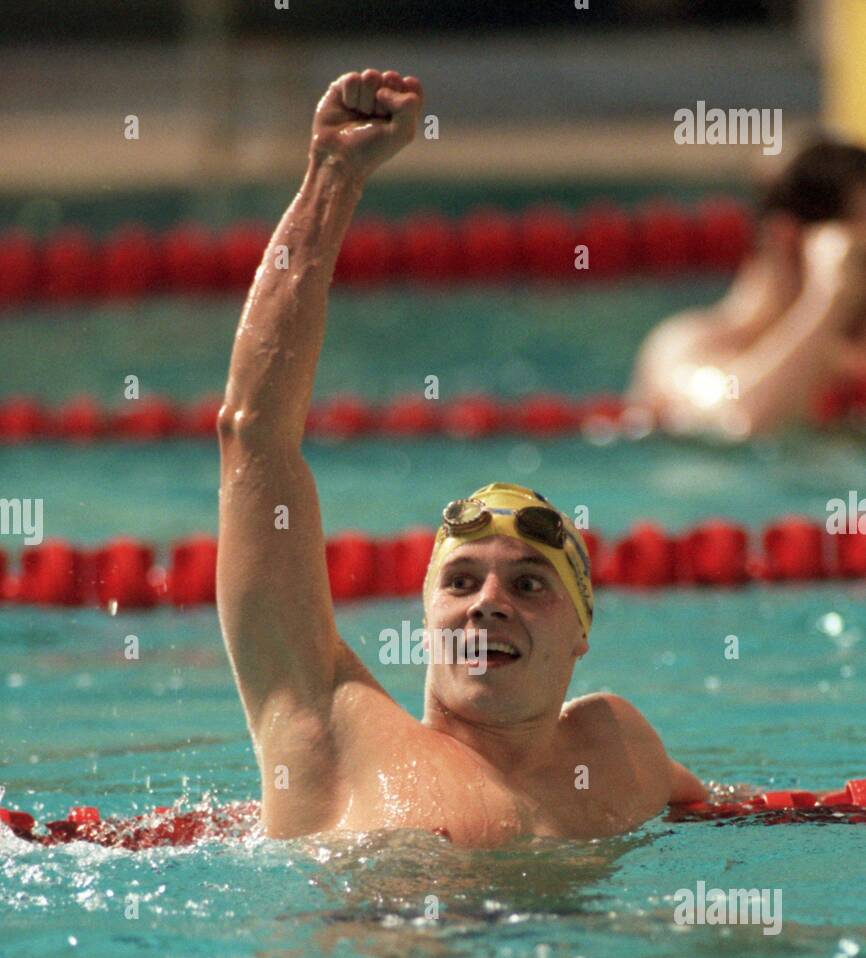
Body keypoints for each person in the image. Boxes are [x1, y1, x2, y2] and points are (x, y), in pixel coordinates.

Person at [217, 69, 705, 848]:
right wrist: (332, 176)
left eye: (529, 583)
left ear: (582, 633)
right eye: (460, 580)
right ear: (426, 612)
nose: (487, 602)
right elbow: (254, 436)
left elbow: (749, 817)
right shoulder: (332, 732)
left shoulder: (620, 752)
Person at [630, 138, 866, 437]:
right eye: (861, 255)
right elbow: (734, 420)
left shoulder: (846, 357)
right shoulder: (682, 347)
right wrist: (829, 300)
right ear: (790, 240)